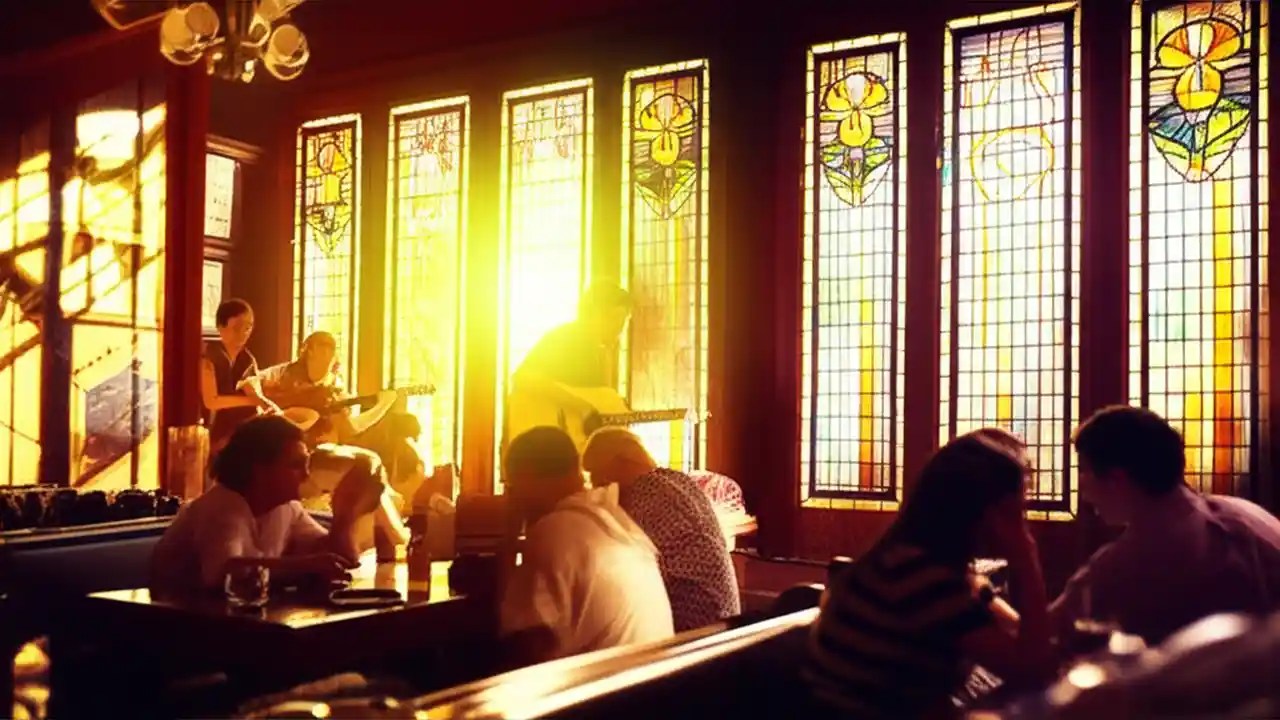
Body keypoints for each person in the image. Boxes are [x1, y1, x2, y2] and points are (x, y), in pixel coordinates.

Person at [805, 432, 1054, 719]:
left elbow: (1025, 638)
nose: (1021, 524)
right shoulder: (919, 578)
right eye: (1014, 511)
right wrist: (1025, 556)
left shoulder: (934, 570)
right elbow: (1036, 670)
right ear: (979, 509)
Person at [1052, 405, 1280, 645]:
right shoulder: (1247, 513)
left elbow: (1037, 642)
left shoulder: (1131, 560)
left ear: (1117, 480)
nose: (1083, 491)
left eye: (1083, 471)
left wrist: (1020, 546)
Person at [150, 416, 384, 594]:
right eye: (295, 464)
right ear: (259, 470)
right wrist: (304, 567)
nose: (306, 473)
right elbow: (223, 574)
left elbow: (339, 559)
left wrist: (346, 512)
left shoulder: (287, 508)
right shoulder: (222, 506)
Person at [499, 426, 673, 666]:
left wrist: (507, 544)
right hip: (652, 689)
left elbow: (523, 651)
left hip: (607, 698)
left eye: (511, 486)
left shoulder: (555, 530)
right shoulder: (615, 520)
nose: (512, 497)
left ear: (526, 476)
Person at [581, 427, 740, 631]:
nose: (596, 485)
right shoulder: (676, 481)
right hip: (720, 622)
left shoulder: (645, 494)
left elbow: (622, 575)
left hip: (696, 632)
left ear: (621, 461)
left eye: (596, 473)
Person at [508, 281, 633, 436]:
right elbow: (522, 378)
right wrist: (582, 408)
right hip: (545, 438)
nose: (620, 326)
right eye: (615, 317)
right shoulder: (566, 338)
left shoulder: (601, 351)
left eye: (625, 319)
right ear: (593, 313)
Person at [258, 331, 398, 445]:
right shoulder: (282, 372)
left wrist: (382, 405)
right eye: (324, 346)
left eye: (332, 348)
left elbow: (350, 428)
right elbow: (248, 383)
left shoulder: (336, 386)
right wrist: (267, 403)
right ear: (308, 350)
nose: (329, 352)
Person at [201, 299, 279, 453]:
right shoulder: (208, 357)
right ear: (221, 327)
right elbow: (211, 401)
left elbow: (253, 390)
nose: (243, 333)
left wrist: (265, 404)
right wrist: (250, 400)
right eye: (237, 328)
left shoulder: (247, 360)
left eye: (248, 327)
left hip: (242, 428)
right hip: (212, 429)